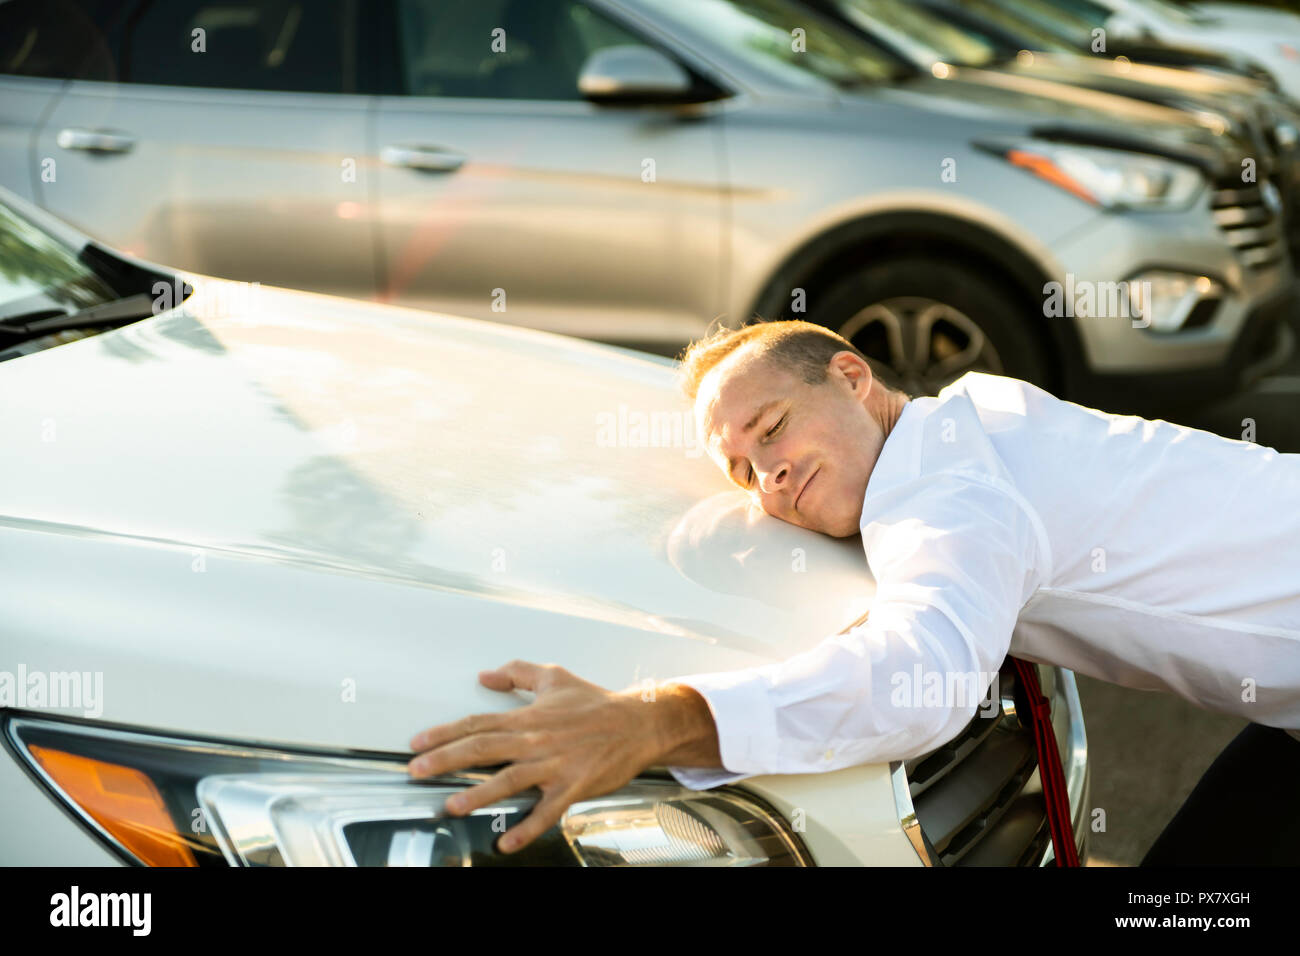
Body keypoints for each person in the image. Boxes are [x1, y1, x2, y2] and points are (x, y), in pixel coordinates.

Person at [407, 319, 1300, 861]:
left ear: (850, 375)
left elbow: (921, 672)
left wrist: (655, 720)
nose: (771, 474)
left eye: (772, 426)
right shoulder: (981, 418)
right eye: (741, 468)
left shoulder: (949, 485)